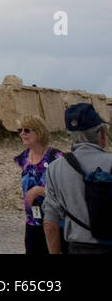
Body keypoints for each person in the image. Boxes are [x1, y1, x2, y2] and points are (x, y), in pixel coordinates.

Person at [43, 103, 112, 254]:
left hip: (78, 248)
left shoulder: (55, 169)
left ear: (70, 136)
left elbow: (50, 222)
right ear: (101, 133)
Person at [13, 115, 62, 254]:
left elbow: (65, 191)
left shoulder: (56, 157)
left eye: (27, 130)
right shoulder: (23, 158)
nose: (22, 133)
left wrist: (38, 190)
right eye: (20, 130)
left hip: (54, 221)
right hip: (32, 222)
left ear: (39, 132)